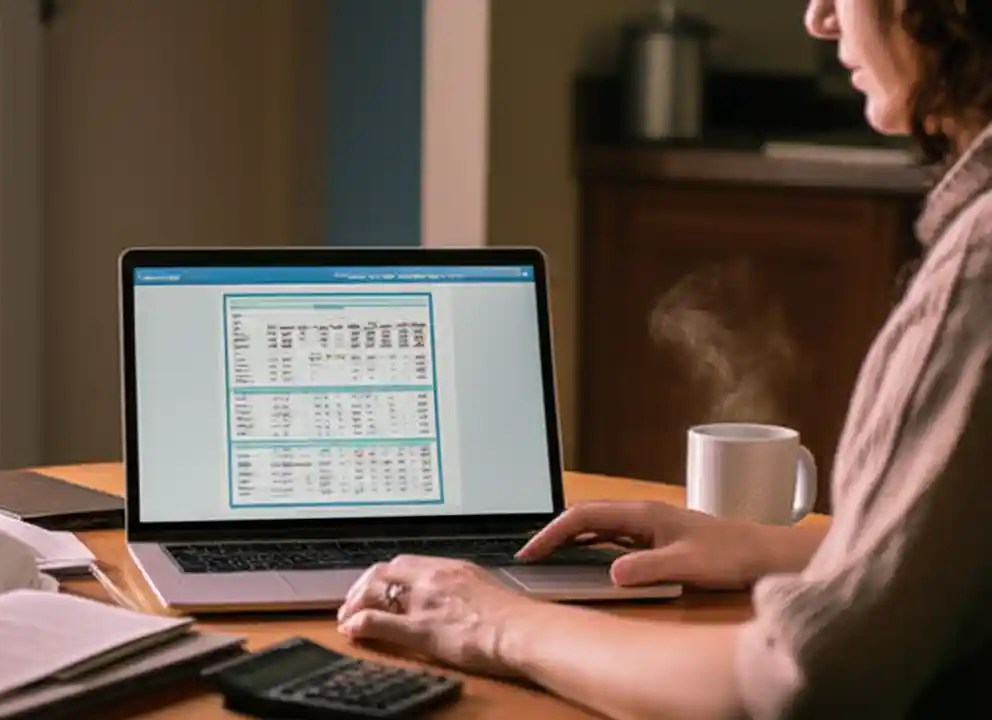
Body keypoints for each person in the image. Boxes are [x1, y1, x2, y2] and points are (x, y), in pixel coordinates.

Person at [336, 1, 992, 717]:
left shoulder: (979, 267)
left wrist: (489, 620)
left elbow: (803, 681)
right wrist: (764, 548)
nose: (821, 19)